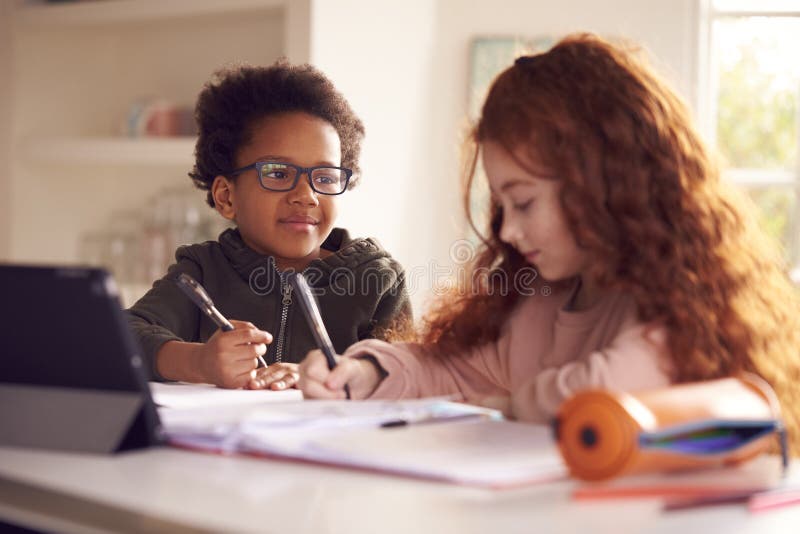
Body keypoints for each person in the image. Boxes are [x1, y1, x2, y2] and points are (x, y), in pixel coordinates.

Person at [299, 33, 800, 453]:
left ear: (602, 184)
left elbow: (600, 393)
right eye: (502, 207)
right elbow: (449, 368)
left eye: (524, 203)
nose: (508, 232)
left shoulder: (680, 300)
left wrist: (508, 404)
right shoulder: (540, 295)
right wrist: (364, 372)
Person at [127, 61, 411, 390]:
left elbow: (405, 379)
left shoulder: (378, 282)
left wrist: (332, 376)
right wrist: (199, 361)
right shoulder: (203, 272)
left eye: (324, 177)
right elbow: (121, 334)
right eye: (278, 173)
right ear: (226, 196)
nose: (307, 196)